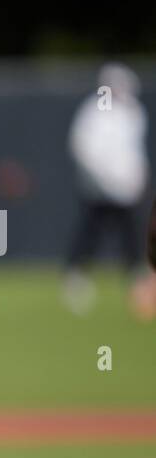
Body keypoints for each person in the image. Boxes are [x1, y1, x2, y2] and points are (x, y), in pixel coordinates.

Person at [63, 63, 150, 316]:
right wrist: (104, 178)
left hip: (128, 191)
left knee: (132, 235)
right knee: (91, 232)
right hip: (98, 190)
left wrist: (136, 178)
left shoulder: (134, 113)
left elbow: (134, 152)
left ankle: (137, 283)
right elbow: (83, 148)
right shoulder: (94, 113)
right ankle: (76, 277)